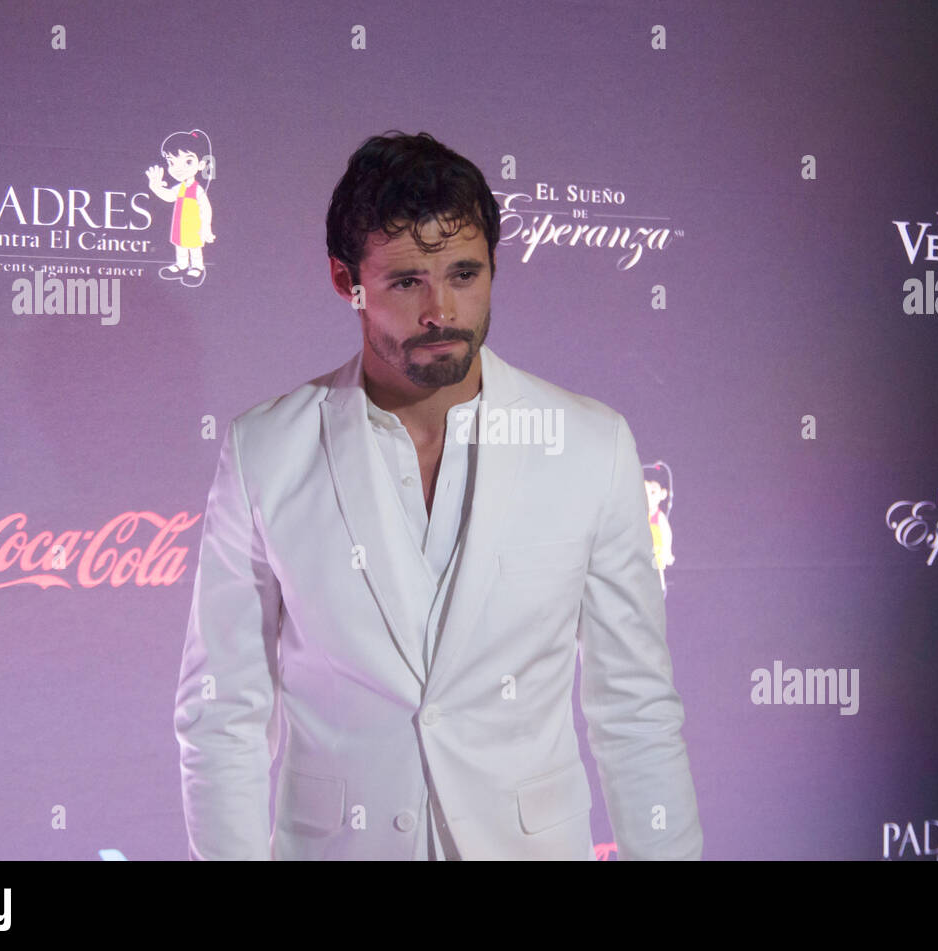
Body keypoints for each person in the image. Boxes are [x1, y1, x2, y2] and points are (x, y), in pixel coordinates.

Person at [173, 130, 702, 860]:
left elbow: (635, 708)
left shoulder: (591, 446)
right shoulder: (264, 451)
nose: (441, 311)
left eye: (464, 273)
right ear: (344, 279)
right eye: (406, 281)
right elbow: (223, 711)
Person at [145, 129, 215, 287]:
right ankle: (182, 265)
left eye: (188, 162)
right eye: (171, 162)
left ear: (201, 164)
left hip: (194, 226)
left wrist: (206, 227)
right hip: (180, 225)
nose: (178, 168)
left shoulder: (197, 189)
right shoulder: (180, 187)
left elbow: (206, 208)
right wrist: (155, 187)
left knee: (194, 248)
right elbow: (169, 196)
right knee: (180, 245)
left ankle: (197, 267)